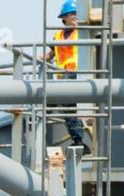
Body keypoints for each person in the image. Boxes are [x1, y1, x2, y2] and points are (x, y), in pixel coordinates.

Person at [50, 0, 89, 152]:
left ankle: (78, 140)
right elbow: (52, 53)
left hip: (76, 74)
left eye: (76, 14)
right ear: (64, 17)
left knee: (66, 105)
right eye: (72, 15)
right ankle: (78, 141)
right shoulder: (58, 35)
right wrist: (39, 58)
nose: (74, 17)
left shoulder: (82, 32)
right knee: (68, 109)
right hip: (62, 77)